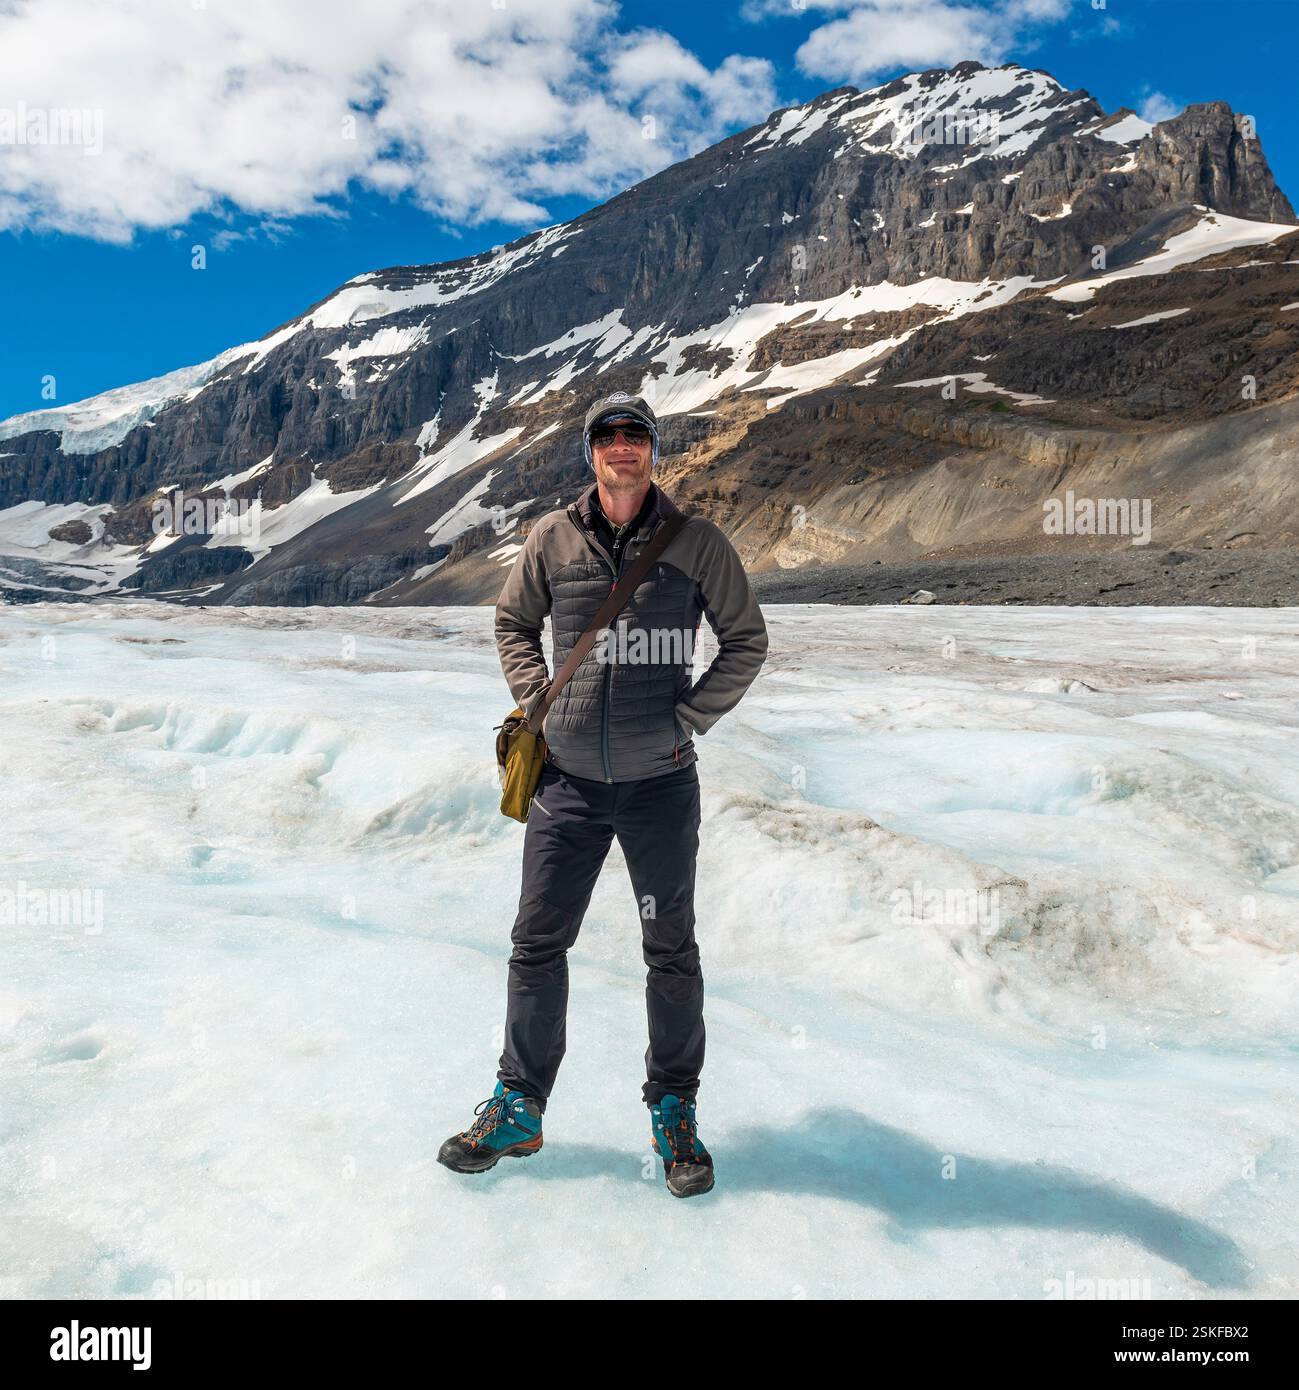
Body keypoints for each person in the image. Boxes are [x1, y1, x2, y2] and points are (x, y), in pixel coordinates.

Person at [438, 391, 768, 1198]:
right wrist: (535, 700)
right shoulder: (552, 537)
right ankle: (519, 1105)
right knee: (537, 944)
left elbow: (746, 640)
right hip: (567, 786)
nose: (622, 447)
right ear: (590, 451)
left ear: (654, 450)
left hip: (660, 786)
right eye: (608, 436)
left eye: (636, 435)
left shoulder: (696, 543)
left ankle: (674, 1113)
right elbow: (513, 624)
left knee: (670, 951)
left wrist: (688, 717)